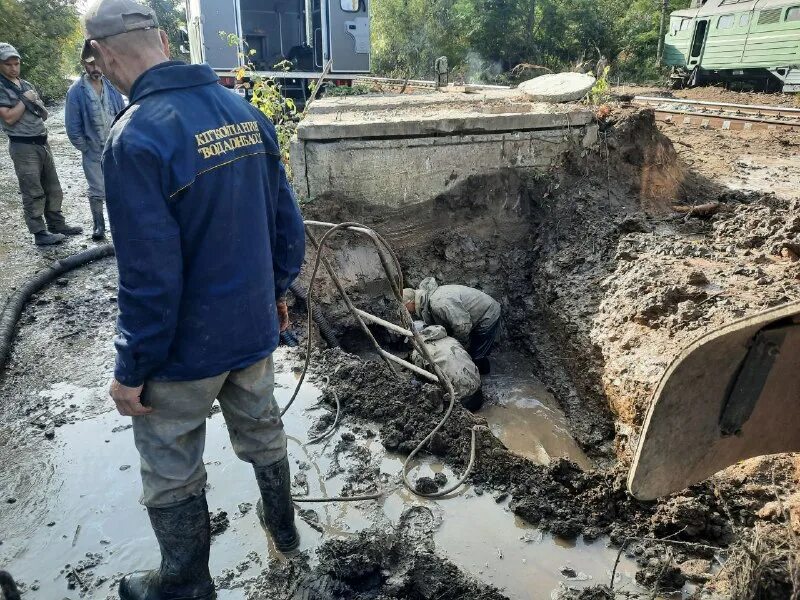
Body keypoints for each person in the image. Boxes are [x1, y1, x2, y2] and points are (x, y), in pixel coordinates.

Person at [81, 1, 306, 598]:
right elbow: (288, 225)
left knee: (171, 462)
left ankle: (183, 585)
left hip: (184, 354)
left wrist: (131, 371)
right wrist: (277, 294)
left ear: (102, 55)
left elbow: (150, 281)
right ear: (160, 37)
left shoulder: (135, 138)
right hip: (253, 332)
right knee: (263, 430)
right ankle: (285, 538)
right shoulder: (243, 111)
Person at [0, 43, 83, 246]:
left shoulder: (27, 84)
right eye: (8, 64)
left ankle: (57, 224)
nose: (13, 68)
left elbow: (44, 115)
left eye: (16, 63)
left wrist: (35, 102)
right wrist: (24, 101)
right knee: (33, 191)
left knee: (53, 187)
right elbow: (9, 118)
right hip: (22, 145)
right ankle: (39, 233)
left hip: (42, 141)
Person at [65, 57, 125, 240]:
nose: (95, 68)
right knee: (97, 189)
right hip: (92, 149)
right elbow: (72, 126)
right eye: (91, 64)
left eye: (98, 63)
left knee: (119, 187)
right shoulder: (76, 91)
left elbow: (123, 113)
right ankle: (99, 226)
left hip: (114, 146)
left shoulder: (112, 87)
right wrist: (86, 148)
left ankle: (119, 225)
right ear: (83, 64)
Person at [403, 277, 501, 374]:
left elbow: (462, 326)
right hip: (472, 315)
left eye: (405, 307)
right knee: (467, 352)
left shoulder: (438, 303)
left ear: (411, 302)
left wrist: (458, 346)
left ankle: (480, 376)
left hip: (487, 313)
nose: (406, 311)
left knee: (477, 355)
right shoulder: (428, 299)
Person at [411, 325, 483, 411]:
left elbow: (419, 375)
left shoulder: (419, 351)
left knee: (415, 383)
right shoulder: (450, 339)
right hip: (478, 392)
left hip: (459, 402)